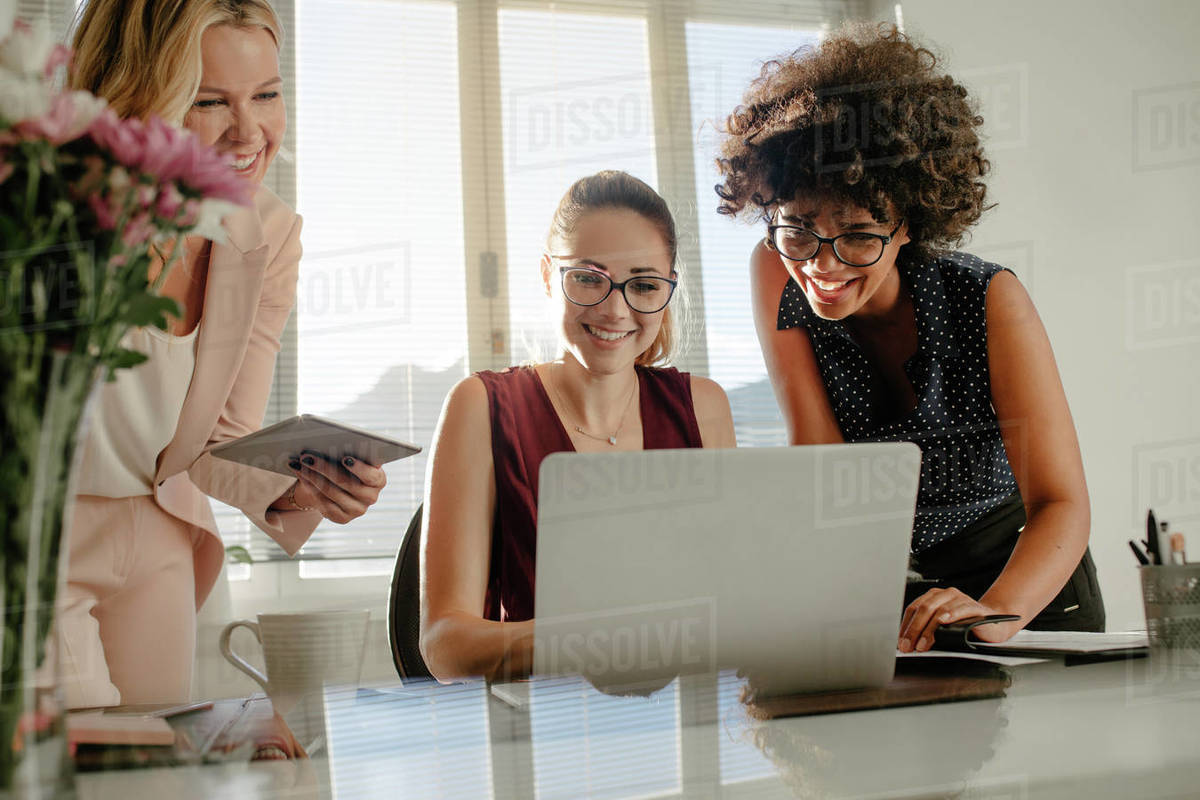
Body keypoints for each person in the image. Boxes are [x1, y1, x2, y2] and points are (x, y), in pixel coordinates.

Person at [715, 24, 1103, 652]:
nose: (822, 264)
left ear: (909, 226)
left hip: (1024, 585)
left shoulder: (989, 300)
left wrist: (991, 614)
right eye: (799, 229)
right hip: (892, 587)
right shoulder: (774, 269)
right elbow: (823, 461)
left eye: (860, 235)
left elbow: (1061, 504)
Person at [61, 0, 386, 708]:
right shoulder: (47, 205)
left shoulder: (267, 235)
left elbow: (217, 438)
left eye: (267, 95)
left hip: (161, 547)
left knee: (158, 777)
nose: (250, 133)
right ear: (136, 94)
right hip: (38, 542)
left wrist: (303, 487)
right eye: (210, 102)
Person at [420, 171, 737, 682]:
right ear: (549, 277)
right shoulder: (479, 405)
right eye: (588, 278)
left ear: (666, 289)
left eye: (644, 284)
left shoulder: (705, 407)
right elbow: (444, 647)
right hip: (547, 736)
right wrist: (589, 636)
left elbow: (734, 606)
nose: (615, 309)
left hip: (689, 725)